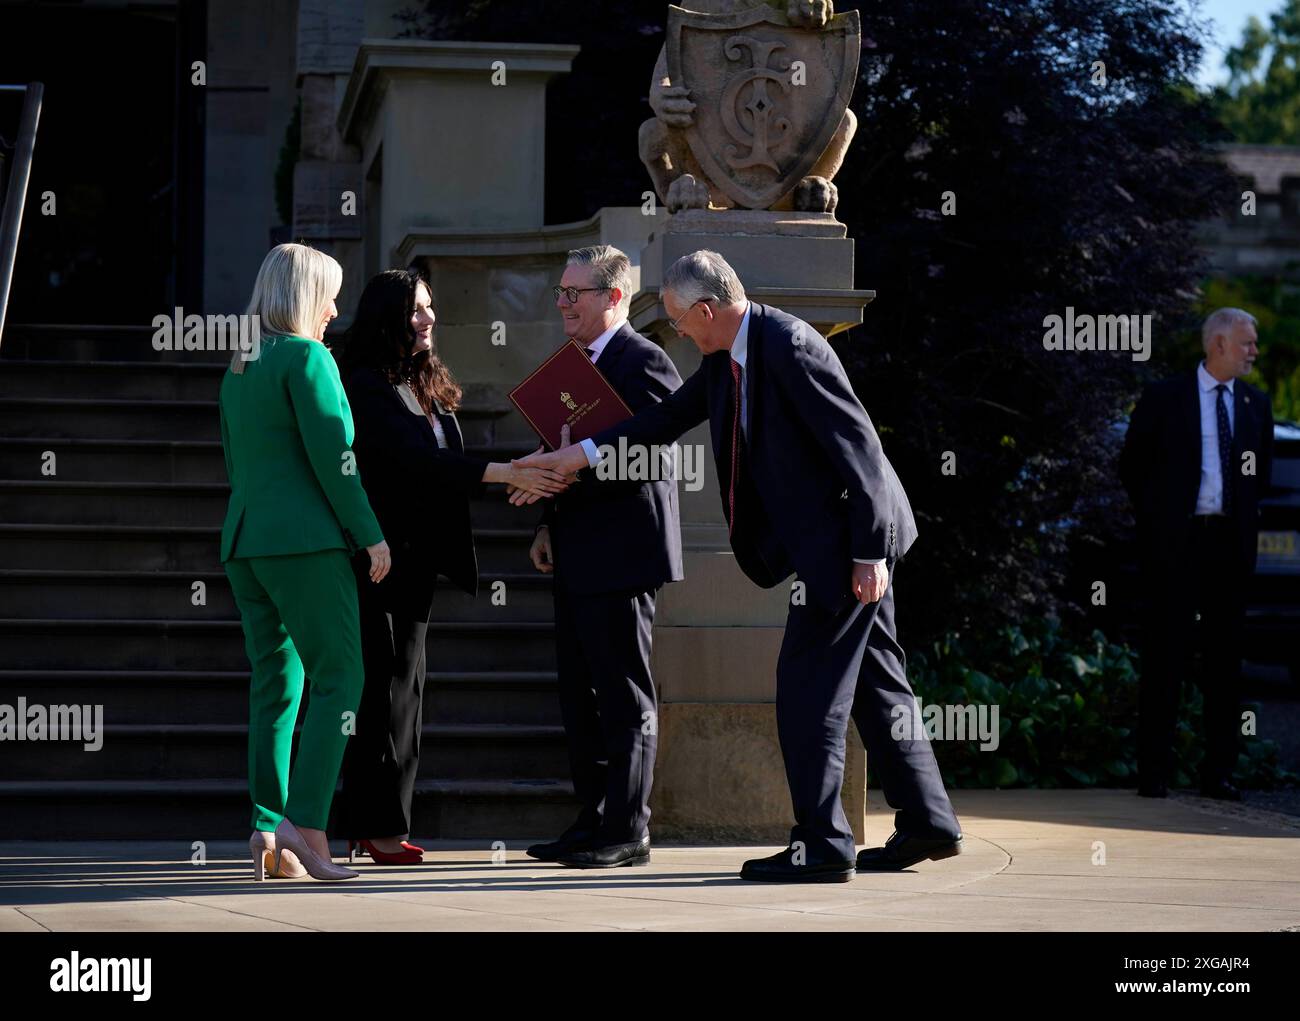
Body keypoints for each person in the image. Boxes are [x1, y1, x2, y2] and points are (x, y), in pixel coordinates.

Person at [516, 250, 962, 882]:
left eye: (675, 318)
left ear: (706, 309)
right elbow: (665, 419)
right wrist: (581, 456)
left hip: (845, 546)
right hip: (838, 542)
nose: (673, 331)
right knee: (878, 683)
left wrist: (867, 552)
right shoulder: (725, 358)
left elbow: (858, 443)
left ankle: (821, 846)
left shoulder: (791, 344)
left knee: (808, 695)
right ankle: (928, 821)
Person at [334, 269, 570, 863]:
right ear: (389, 316)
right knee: (379, 694)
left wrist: (519, 471)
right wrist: (506, 472)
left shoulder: (423, 384)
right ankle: (374, 826)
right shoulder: (365, 385)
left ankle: (389, 824)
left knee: (407, 689)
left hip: (417, 563)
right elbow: (413, 461)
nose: (429, 318)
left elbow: (444, 461)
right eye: (417, 310)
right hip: (378, 560)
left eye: (432, 307)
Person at [219, 242, 391, 882]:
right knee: (341, 679)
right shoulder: (308, 357)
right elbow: (335, 457)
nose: (335, 310)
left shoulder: (240, 364)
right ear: (303, 296)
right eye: (329, 294)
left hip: (246, 543)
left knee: (276, 687)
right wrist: (370, 534)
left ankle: (268, 825)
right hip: (305, 543)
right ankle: (308, 828)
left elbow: (238, 465)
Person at [522, 246, 684, 869]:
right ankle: (591, 822)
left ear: (613, 298)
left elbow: (655, 450)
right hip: (574, 549)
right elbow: (557, 447)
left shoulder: (644, 359)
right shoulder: (572, 363)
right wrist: (545, 519)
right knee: (578, 698)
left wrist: (581, 459)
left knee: (623, 697)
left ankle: (628, 829)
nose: (563, 303)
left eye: (575, 294)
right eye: (560, 292)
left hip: (623, 554)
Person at [1119, 307, 1273, 801]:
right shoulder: (1165, 398)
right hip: (1178, 546)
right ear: (1218, 345)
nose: (1254, 352)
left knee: (1225, 665)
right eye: (1247, 343)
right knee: (1167, 657)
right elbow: (1133, 467)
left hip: (1229, 547)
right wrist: (1159, 525)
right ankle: (1155, 773)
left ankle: (1219, 774)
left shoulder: (1255, 404)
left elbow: (1260, 476)